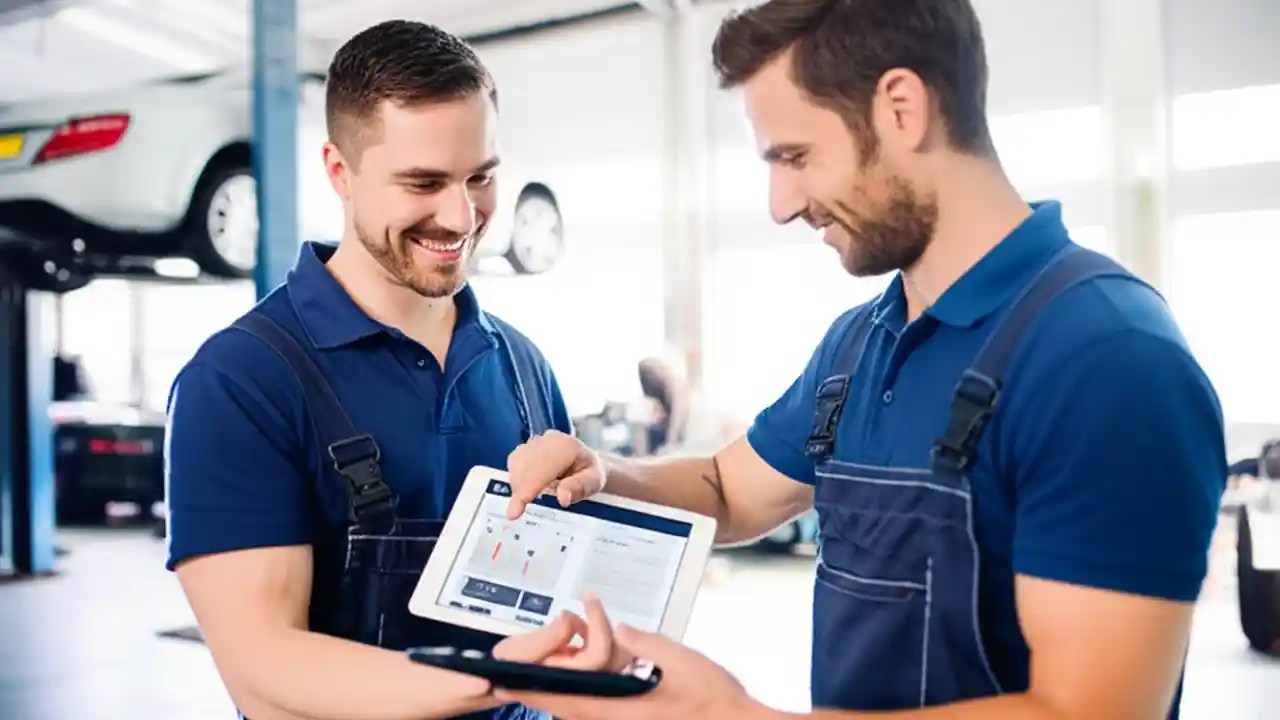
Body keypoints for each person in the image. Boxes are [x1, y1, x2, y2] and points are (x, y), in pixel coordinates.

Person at [498, 1, 1227, 718]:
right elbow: (727, 489)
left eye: (796, 157)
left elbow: (1090, 711)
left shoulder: (1110, 360)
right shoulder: (860, 343)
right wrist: (603, 474)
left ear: (901, 109)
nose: (781, 205)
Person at [163, 20, 611, 720]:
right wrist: (495, 679)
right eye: (423, 182)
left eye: (481, 177)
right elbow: (263, 666)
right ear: (340, 172)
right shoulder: (239, 382)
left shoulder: (523, 368)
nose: (461, 215)